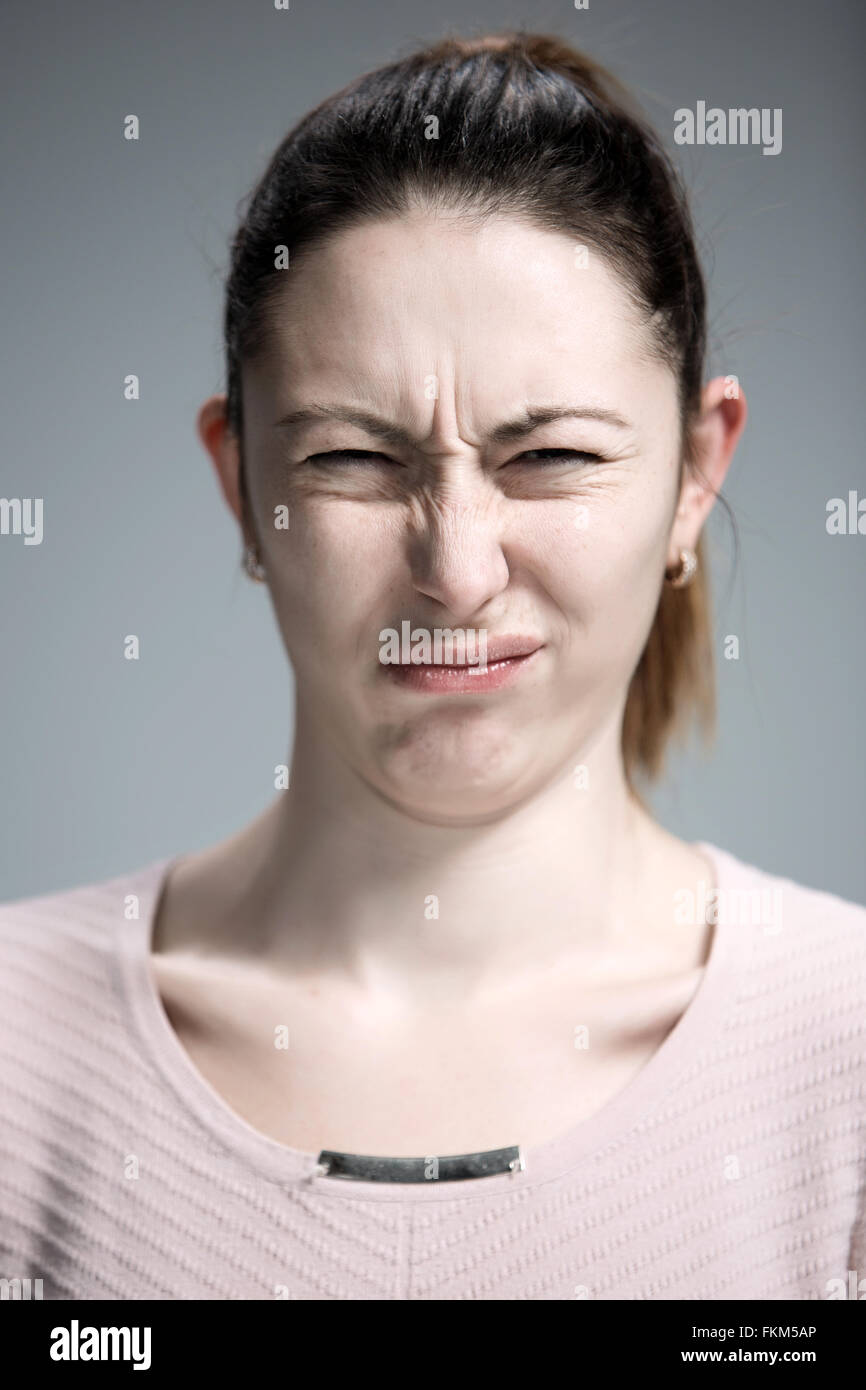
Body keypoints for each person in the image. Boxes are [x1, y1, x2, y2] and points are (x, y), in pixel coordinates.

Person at [1, 29, 864, 1302]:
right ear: (241, 487)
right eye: (350, 459)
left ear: (694, 473)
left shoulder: (843, 1070)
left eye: (552, 457)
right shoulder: (16, 1061)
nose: (455, 571)